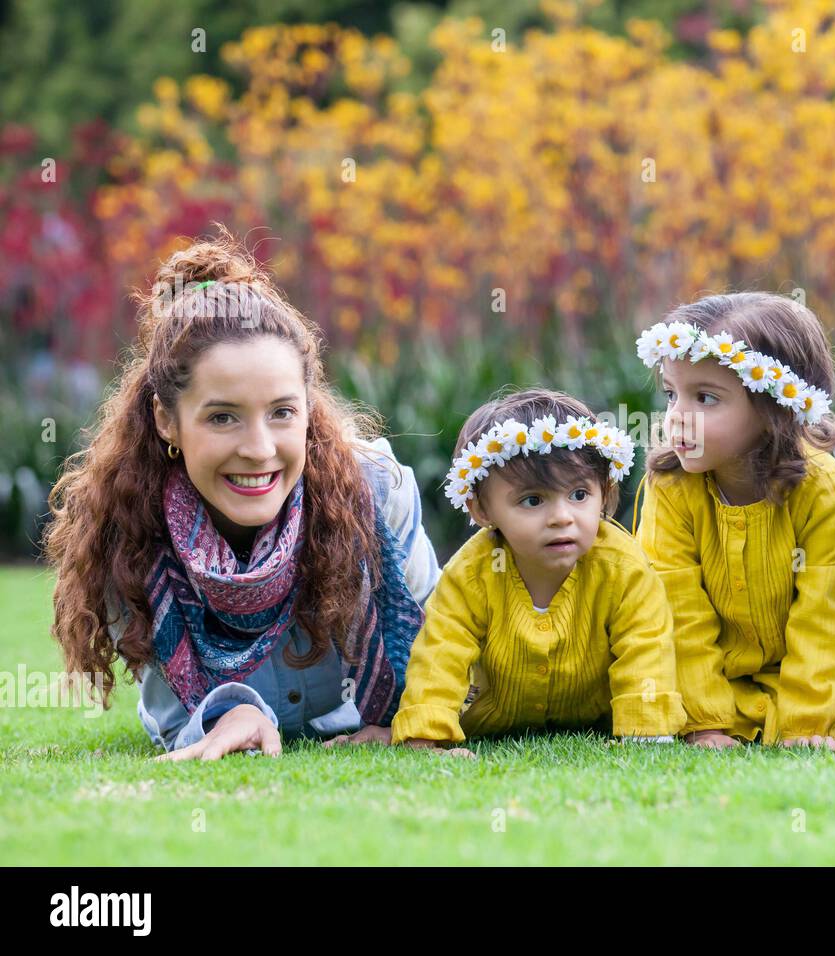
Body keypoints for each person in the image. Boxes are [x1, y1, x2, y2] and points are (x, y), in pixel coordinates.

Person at [44, 228, 438, 760]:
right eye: (223, 417)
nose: (258, 449)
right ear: (166, 419)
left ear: (309, 408)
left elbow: (442, 640)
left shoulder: (377, 491)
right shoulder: (127, 525)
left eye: (281, 412)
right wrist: (234, 714)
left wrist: (420, 717)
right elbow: (175, 713)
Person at [390, 388, 685, 752]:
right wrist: (426, 732)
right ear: (482, 510)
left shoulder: (624, 569)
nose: (562, 517)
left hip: (598, 719)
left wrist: (646, 732)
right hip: (490, 721)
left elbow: (646, 646)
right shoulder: (471, 575)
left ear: (605, 492)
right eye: (532, 500)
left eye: (579, 495)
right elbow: (440, 654)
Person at [632, 293, 835, 749]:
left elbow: (823, 615)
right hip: (706, 685)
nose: (678, 417)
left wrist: (806, 727)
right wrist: (705, 724)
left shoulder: (819, 486)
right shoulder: (673, 486)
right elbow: (677, 611)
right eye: (672, 394)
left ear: (774, 405)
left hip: (798, 686)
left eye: (706, 398)